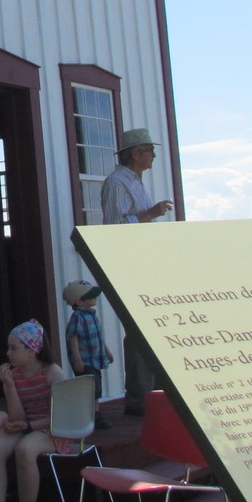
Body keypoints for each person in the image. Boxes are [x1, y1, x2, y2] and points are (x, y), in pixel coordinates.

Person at [100, 127, 172, 415]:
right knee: (139, 332)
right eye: (149, 150)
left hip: (143, 262)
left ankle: (152, 395)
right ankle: (140, 400)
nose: (154, 155)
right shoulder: (117, 182)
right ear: (136, 154)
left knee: (149, 329)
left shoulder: (135, 181)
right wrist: (150, 214)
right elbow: (114, 228)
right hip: (128, 264)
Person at [0, 320, 68, 502]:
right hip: (26, 425)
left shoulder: (52, 373)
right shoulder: (15, 375)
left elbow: (63, 415)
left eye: (14, 348)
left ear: (32, 351)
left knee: (25, 449)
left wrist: (29, 426)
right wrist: (9, 386)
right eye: (9, 347)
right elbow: (18, 417)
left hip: (52, 428)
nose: (8, 353)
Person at [63, 281, 112, 430]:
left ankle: (95, 415)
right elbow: (73, 338)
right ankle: (91, 416)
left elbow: (99, 337)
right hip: (85, 361)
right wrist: (77, 358)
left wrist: (107, 351)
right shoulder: (78, 317)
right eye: (90, 296)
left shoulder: (92, 316)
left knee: (96, 388)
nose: (94, 299)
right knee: (89, 388)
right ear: (79, 301)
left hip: (95, 359)